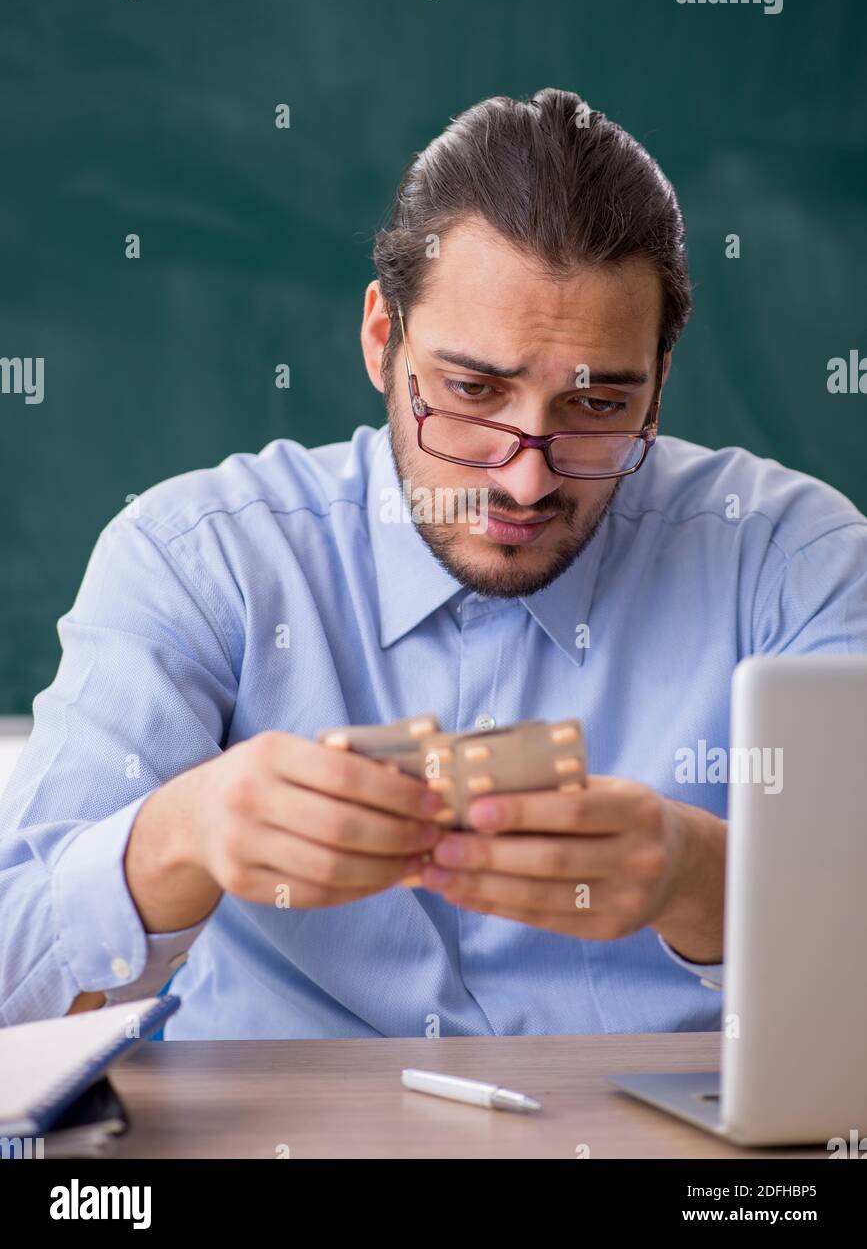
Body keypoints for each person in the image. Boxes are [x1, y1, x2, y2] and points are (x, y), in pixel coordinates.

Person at [2, 88, 865, 1039]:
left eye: (595, 407)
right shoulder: (200, 560)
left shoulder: (796, 565)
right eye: (471, 391)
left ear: (658, 388)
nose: (526, 478)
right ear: (382, 340)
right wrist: (176, 837)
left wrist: (706, 882)